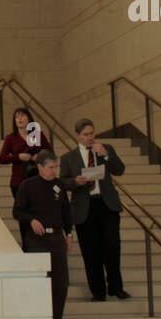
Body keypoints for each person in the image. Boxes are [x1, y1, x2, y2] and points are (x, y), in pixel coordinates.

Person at [60, 118, 128, 301]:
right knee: (91, 251)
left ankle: (116, 287)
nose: (90, 137)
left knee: (113, 247)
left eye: (92, 133)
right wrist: (75, 182)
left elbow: (120, 169)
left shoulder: (105, 149)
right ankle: (98, 291)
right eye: (86, 135)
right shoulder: (68, 158)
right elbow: (62, 181)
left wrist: (106, 155)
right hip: (84, 207)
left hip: (107, 205)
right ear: (78, 136)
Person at [11, 151, 73, 319]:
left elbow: (66, 212)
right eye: (50, 168)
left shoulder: (59, 185)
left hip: (57, 239)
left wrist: (69, 234)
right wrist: (31, 220)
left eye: (56, 167)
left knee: (60, 283)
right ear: (40, 167)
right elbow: (17, 212)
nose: (54, 171)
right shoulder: (28, 186)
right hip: (36, 239)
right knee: (40, 282)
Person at [0, 106, 52, 243]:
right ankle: (27, 244)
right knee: (24, 214)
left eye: (22, 116)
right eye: (17, 117)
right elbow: (2, 158)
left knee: (39, 212)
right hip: (19, 182)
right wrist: (18, 157)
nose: (20, 119)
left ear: (29, 118)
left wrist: (38, 156)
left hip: (37, 180)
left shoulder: (37, 134)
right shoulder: (11, 138)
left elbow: (50, 153)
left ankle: (40, 243)